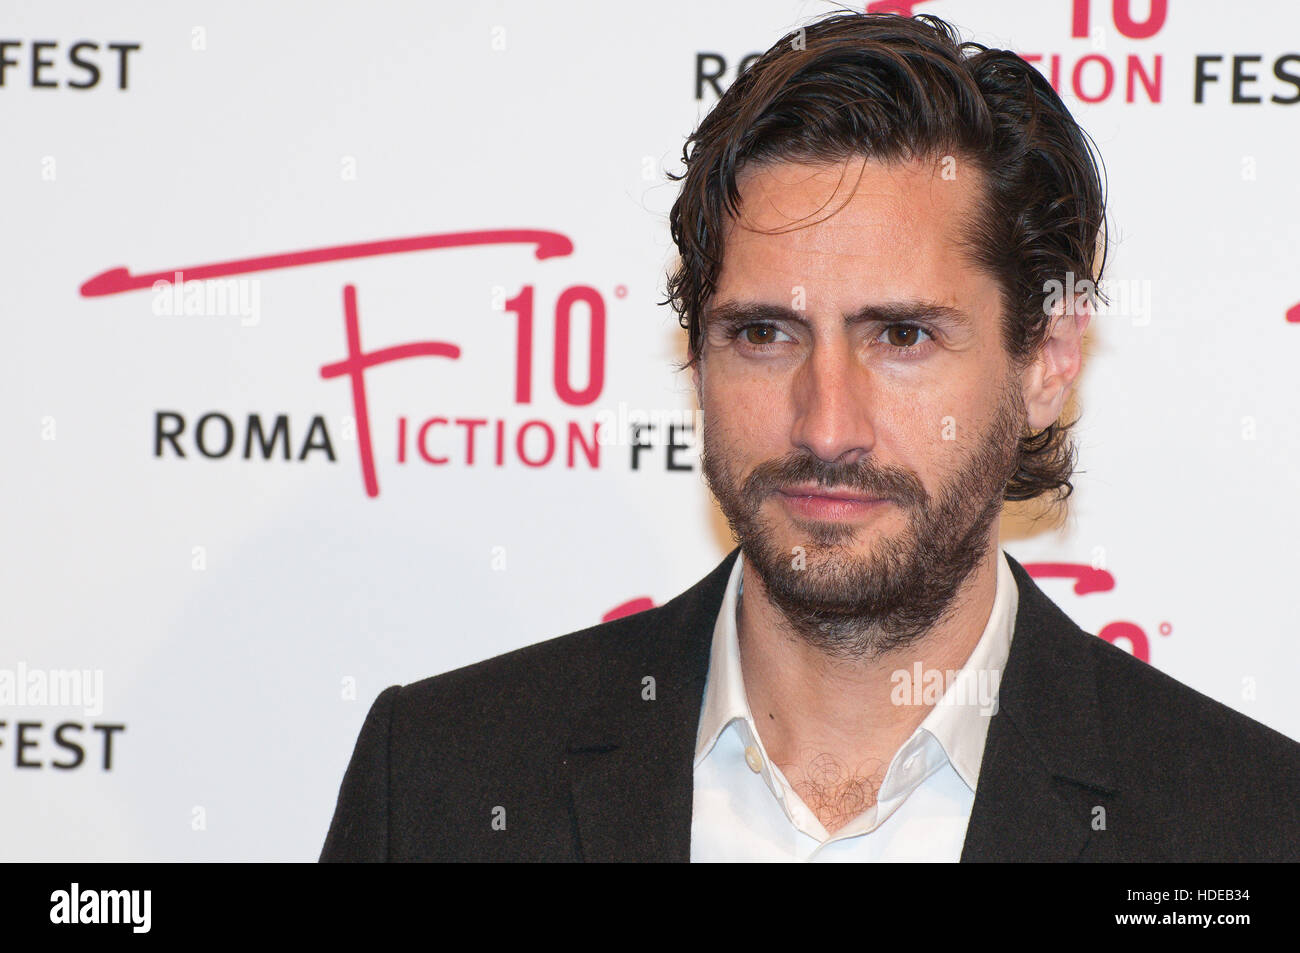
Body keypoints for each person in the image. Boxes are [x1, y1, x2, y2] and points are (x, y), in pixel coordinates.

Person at [319, 11, 1300, 862]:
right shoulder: (444, 781)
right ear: (696, 349)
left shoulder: (1245, 823)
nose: (826, 424)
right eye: (763, 333)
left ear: (1045, 359)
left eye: (902, 335)